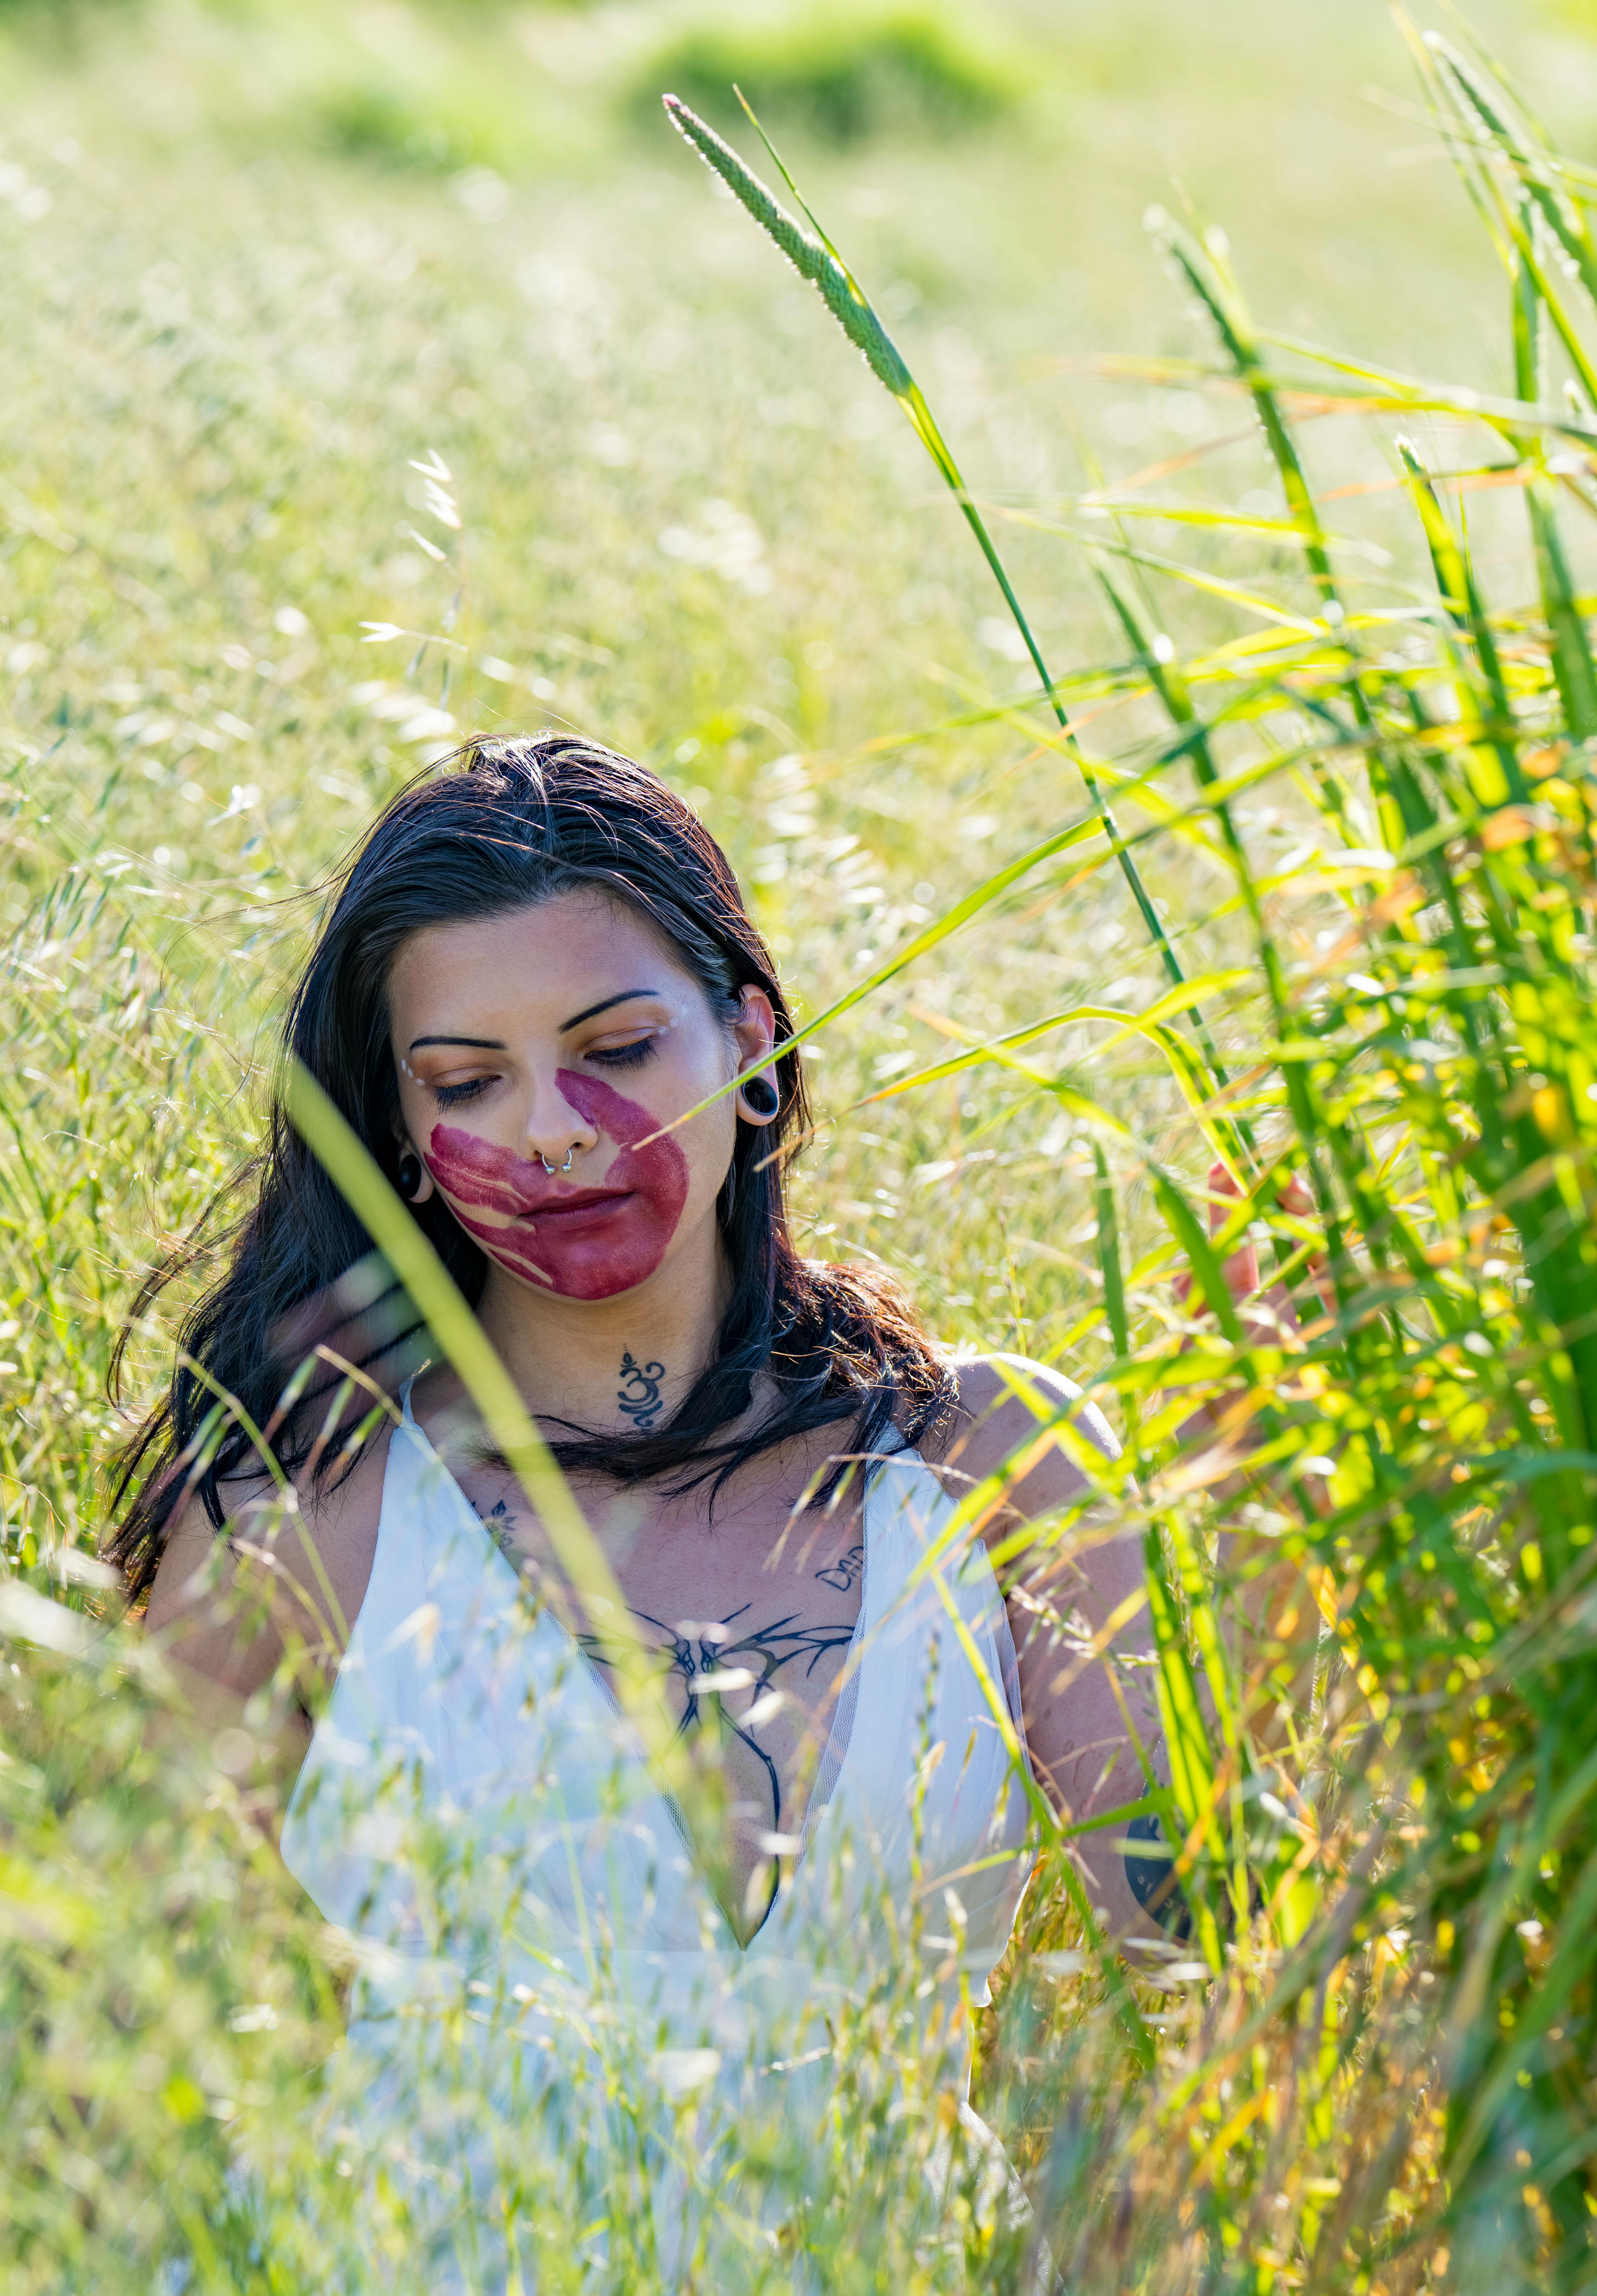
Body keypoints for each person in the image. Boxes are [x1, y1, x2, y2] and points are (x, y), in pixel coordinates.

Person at [111, 735, 1174, 2144]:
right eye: (467, 1081)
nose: (551, 1130)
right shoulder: (306, 1510)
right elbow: (115, 2056)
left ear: (749, 1043)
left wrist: (1280, 1478)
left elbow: (1193, 1975)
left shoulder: (992, 1457)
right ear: (405, 1127)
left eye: (615, 1050)